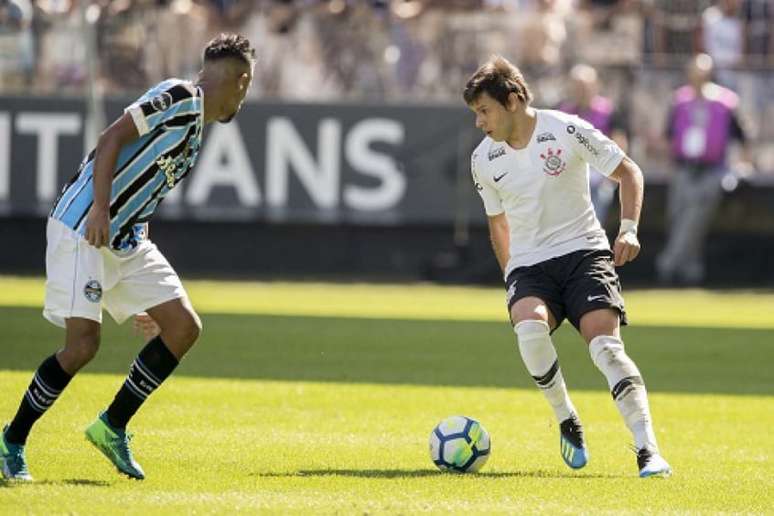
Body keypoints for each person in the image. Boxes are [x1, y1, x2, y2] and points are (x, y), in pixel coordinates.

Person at [0, 33, 255, 481]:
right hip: (85, 226)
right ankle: (11, 442)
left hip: (127, 237)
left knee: (182, 327)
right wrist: (99, 207)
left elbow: (145, 189)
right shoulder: (178, 95)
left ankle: (111, 426)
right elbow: (111, 137)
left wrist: (142, 297)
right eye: (247, 87)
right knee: (82, 345)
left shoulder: (195, 131)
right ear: (242, 81)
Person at [464, 55, 671, 477]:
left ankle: (648, 449)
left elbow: (629, 172)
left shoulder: (567, 128)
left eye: (484, 111)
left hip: (584, 255)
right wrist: (510, 278)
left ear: (513, 99)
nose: (479, 122)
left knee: (607, 349)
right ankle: (566, 417)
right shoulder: (483, 160)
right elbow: (498, 224)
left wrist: (628, 229)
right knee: (529, 328)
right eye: (476, 114)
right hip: (529, 266)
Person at [656, 53, 751, 286]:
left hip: (713, 169)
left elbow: (741, 135)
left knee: (695, 216)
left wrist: (743, 162)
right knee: (678, 216)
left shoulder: (726, 101)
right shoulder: (679, 100)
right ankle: (691, 271)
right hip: (683, 167)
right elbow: (668, 134)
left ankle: (667, 264)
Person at [558, 63, 629, 224]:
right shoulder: (561, 112)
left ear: (595, 86)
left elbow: (620, 141)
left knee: (593, 223)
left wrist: (612, 177)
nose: (581, 90)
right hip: (570, 178)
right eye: (577, 86)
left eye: (585, 86)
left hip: (599, 177)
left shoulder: (609, 111)